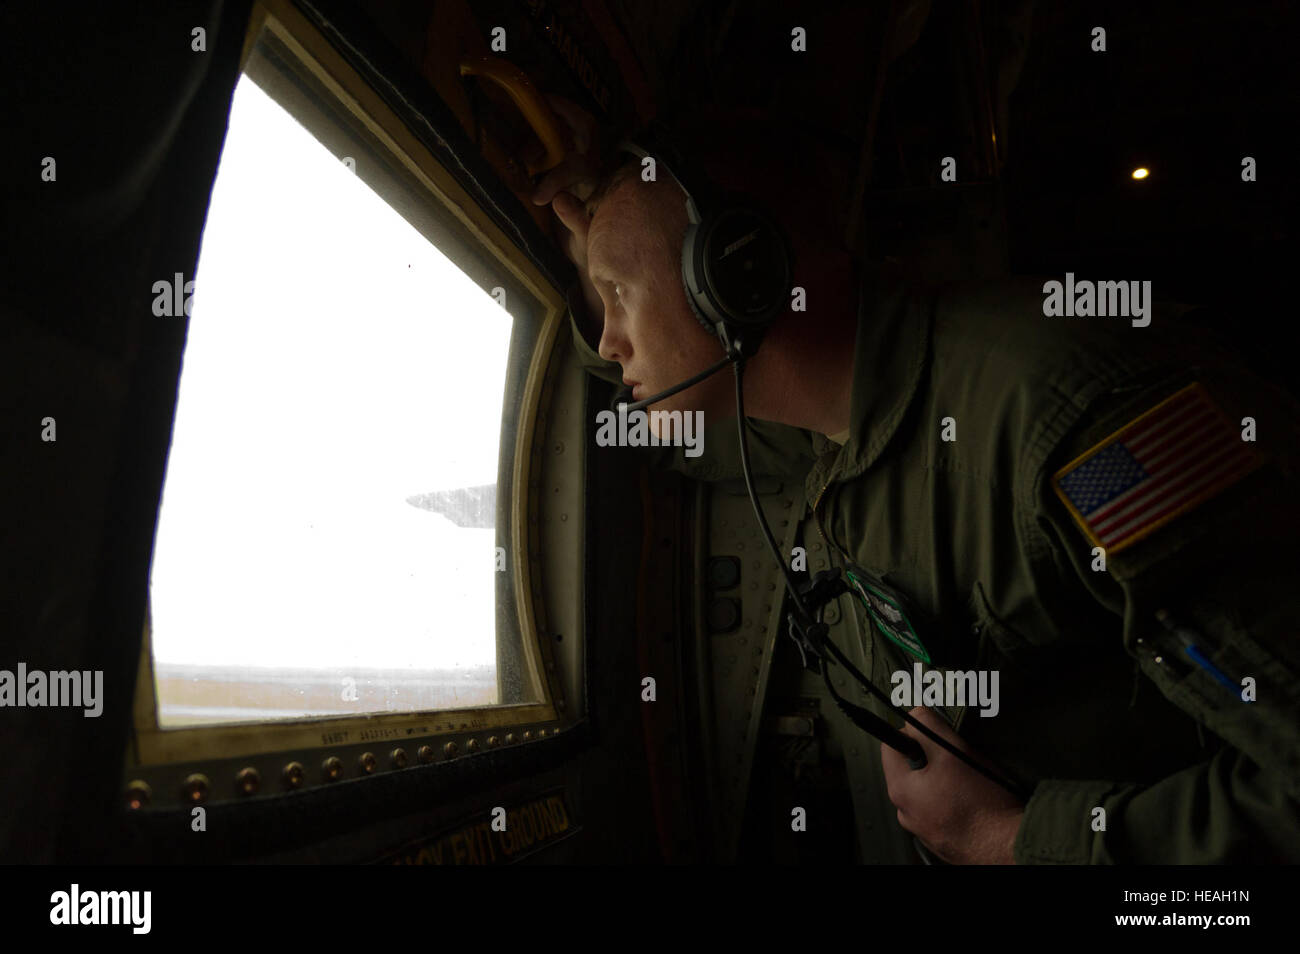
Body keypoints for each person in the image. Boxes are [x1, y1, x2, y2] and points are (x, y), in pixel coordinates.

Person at [532, 97, 1300, 863]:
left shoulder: (1078, 425)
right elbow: (663, 423)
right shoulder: (836, 425)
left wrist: (1014, 841)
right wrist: (589, 255)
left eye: (620, 294)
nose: (609, 336)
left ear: (736, 274)